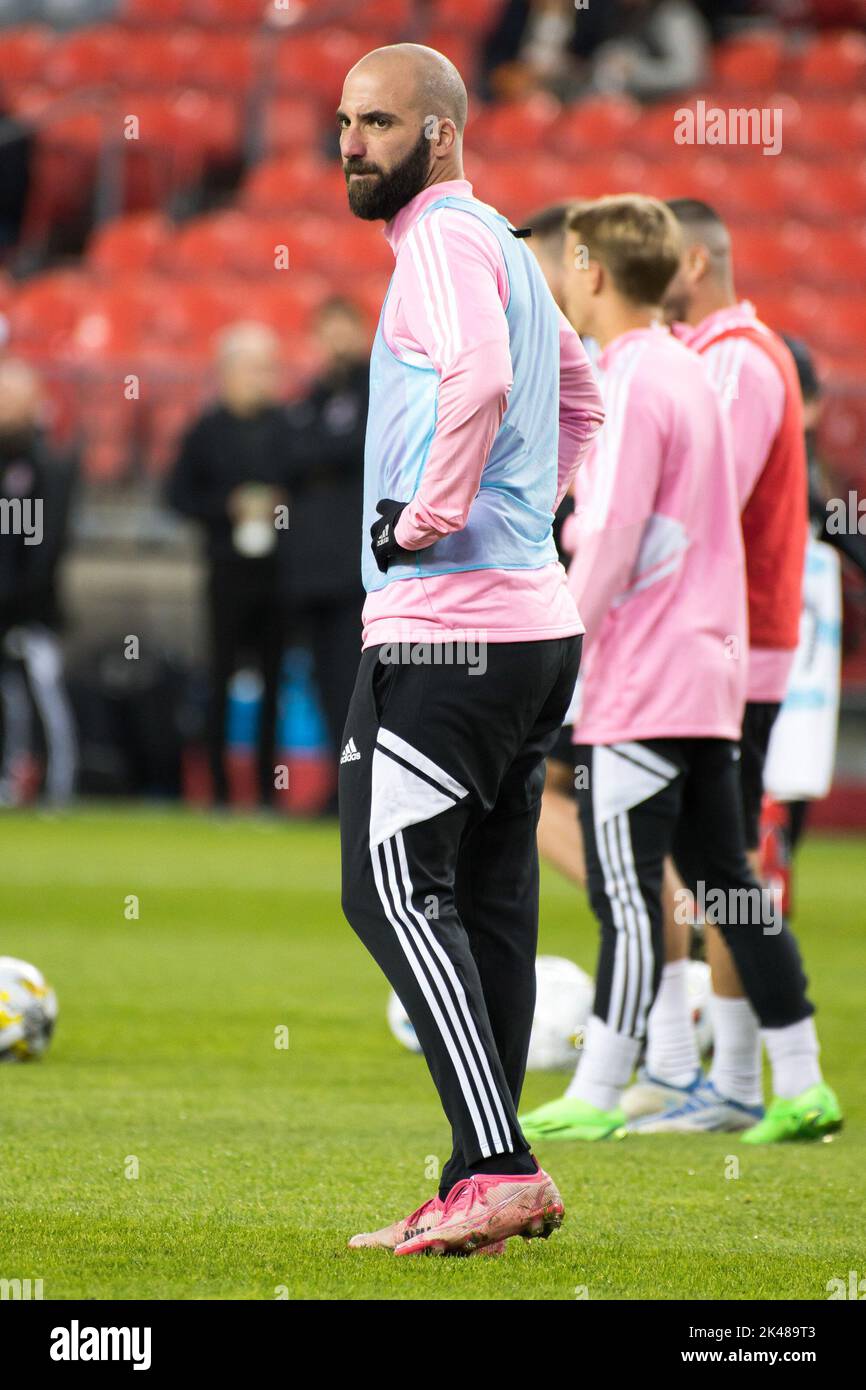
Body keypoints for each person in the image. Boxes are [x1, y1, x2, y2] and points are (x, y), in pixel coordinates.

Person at [336, 43, 604, 1256]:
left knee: (388, 886)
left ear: (437, 134)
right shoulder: (498, 240)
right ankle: (473, 1180)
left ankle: (497, 1162)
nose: (352, 143)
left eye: (378, 122)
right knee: (488, 902)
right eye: (343, 122)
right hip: (528, 624)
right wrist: (542, 516)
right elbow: (582, 401)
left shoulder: (443, 240)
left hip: (449, 630)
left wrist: (433, 516)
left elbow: (485, 376)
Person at [518, 195, 841, 1146]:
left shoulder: (636, 379)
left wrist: (556, 648)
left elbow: (617, 533)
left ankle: (604, 1088)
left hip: (644, 674)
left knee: (625, 890)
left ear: (598, 274)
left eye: (572, 266)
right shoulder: (695, 372)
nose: (565, 284)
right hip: (709, 670)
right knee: (730, 882)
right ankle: (800, 1080)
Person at [623, 201, 842, 1137]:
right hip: (724, 641)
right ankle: (763, 1080)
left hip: (729, 644)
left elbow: (706, 498)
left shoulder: (741, 364)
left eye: (659, 256)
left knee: (711, 858)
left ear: (699, 260)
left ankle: (764, 1079)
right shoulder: (724, 357)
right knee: (709, 857)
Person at [166, 322, 293, 809]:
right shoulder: (205, 431)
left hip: (279, 572)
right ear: (229, 372)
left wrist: (280, 507)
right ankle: (217, 787)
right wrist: (228, 507)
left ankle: (267, 788)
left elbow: (308, 490)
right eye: (257, 368)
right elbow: (178, 497)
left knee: (274, 678)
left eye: (270, 368)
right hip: (225, 570)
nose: (266, 378)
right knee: (218, 676)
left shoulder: (287, 427)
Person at [283, 298, 368, 812]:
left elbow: (355, 446)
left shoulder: (375, 388)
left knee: (354, 684)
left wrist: (318, 454)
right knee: (322, 684)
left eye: (343, 331)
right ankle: (342, 785)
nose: (335, 344)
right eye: (326, 332)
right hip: (310, 574)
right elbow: (286, 452)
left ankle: (359, 788)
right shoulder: (311, 397)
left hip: (355, 572)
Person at [0, 356, 78, 807]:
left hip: (32, 612)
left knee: (43, 693)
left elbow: (43, 544)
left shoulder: (47, 467)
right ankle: (12, 779)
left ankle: (56, 786)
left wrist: (21, 604)